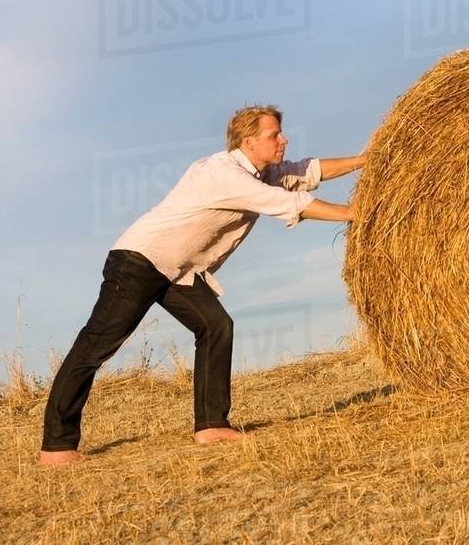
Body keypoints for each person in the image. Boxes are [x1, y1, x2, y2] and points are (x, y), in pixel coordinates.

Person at [39, 104, 366, 466]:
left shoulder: (260, 172)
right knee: (97, 345)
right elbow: (288, 202)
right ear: (248, 141)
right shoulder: (223, 174)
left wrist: (366, 159)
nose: (283, 140)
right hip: (139, 261)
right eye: (274, 135)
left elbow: (306, 172)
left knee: (215, 326)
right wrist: (356, 213)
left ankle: (211, 425)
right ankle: (57, 445)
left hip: (178, 268)